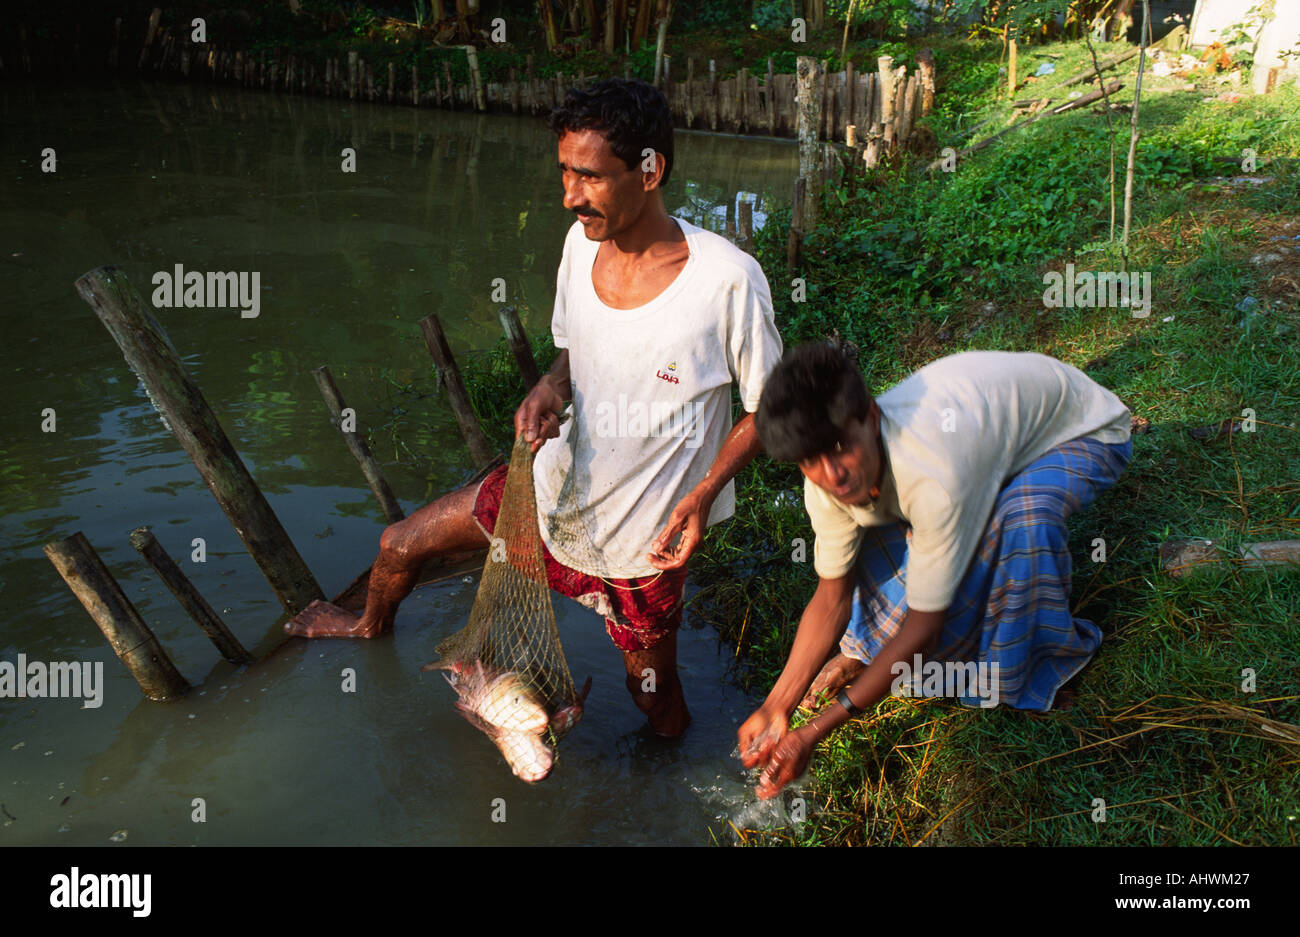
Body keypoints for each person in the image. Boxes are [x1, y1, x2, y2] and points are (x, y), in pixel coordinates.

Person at [287, 79, 783, 738]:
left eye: (588, 177)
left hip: (645, 546)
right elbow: (576, 352)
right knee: (397, 545)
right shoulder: (580, 246)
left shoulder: (726, 280)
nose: (568, 195)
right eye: (563, 173)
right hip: (549, 494)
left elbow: (771, 409)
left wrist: (707, 491)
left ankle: (663, 779)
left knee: (654, 701)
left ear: (649, 170)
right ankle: (365, 623)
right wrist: (550, 387)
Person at [738, 343, 1132, 795]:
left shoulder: (933, 473)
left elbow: (926, 626)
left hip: (1084, 432)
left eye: (840, 448)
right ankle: (863, 648)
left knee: (1022, 519)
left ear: (870, 416)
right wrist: (776, 706)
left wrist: (814, 732)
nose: (833, 475)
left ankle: (1042, 665)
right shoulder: (829, 485)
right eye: (811, 461)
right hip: (985, 439)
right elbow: (832, 597)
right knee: (868, 523)